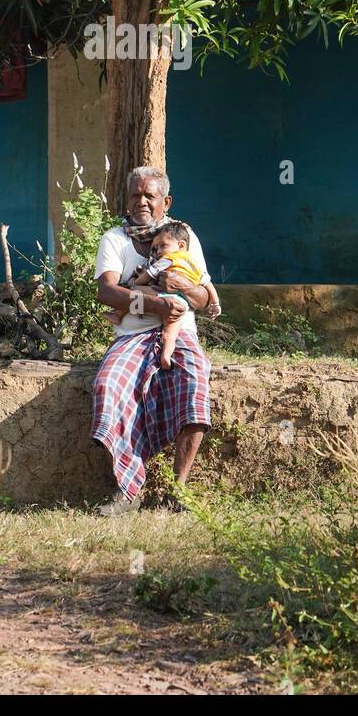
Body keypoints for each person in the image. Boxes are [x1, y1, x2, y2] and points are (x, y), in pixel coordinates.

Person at [91, 166, 219, 516]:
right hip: (132, 333)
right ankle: (127, 489)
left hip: (180, 330)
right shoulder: (114, 239)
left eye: (150, 196)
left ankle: (178, 491)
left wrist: (181, 290)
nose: (142, 202)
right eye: (135, 195)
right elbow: (106, 291)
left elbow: (204, 299)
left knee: (193, 385)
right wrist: (151, 303)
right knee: (109, 384)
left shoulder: (183, 236)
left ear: (166, 201)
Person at [118, 220, 222, 370]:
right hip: (182, 304)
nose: (158, 251)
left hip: (162, 296)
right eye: (156, 248)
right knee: (171, 334)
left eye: (163, 246)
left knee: (135, 293)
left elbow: (148, 274)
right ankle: (166, 355)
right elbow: (208, 284)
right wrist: (216, 303)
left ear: (181, 245)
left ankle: (120, 313)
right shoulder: (194, 264)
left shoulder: (168, 259)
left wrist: (134, 283)